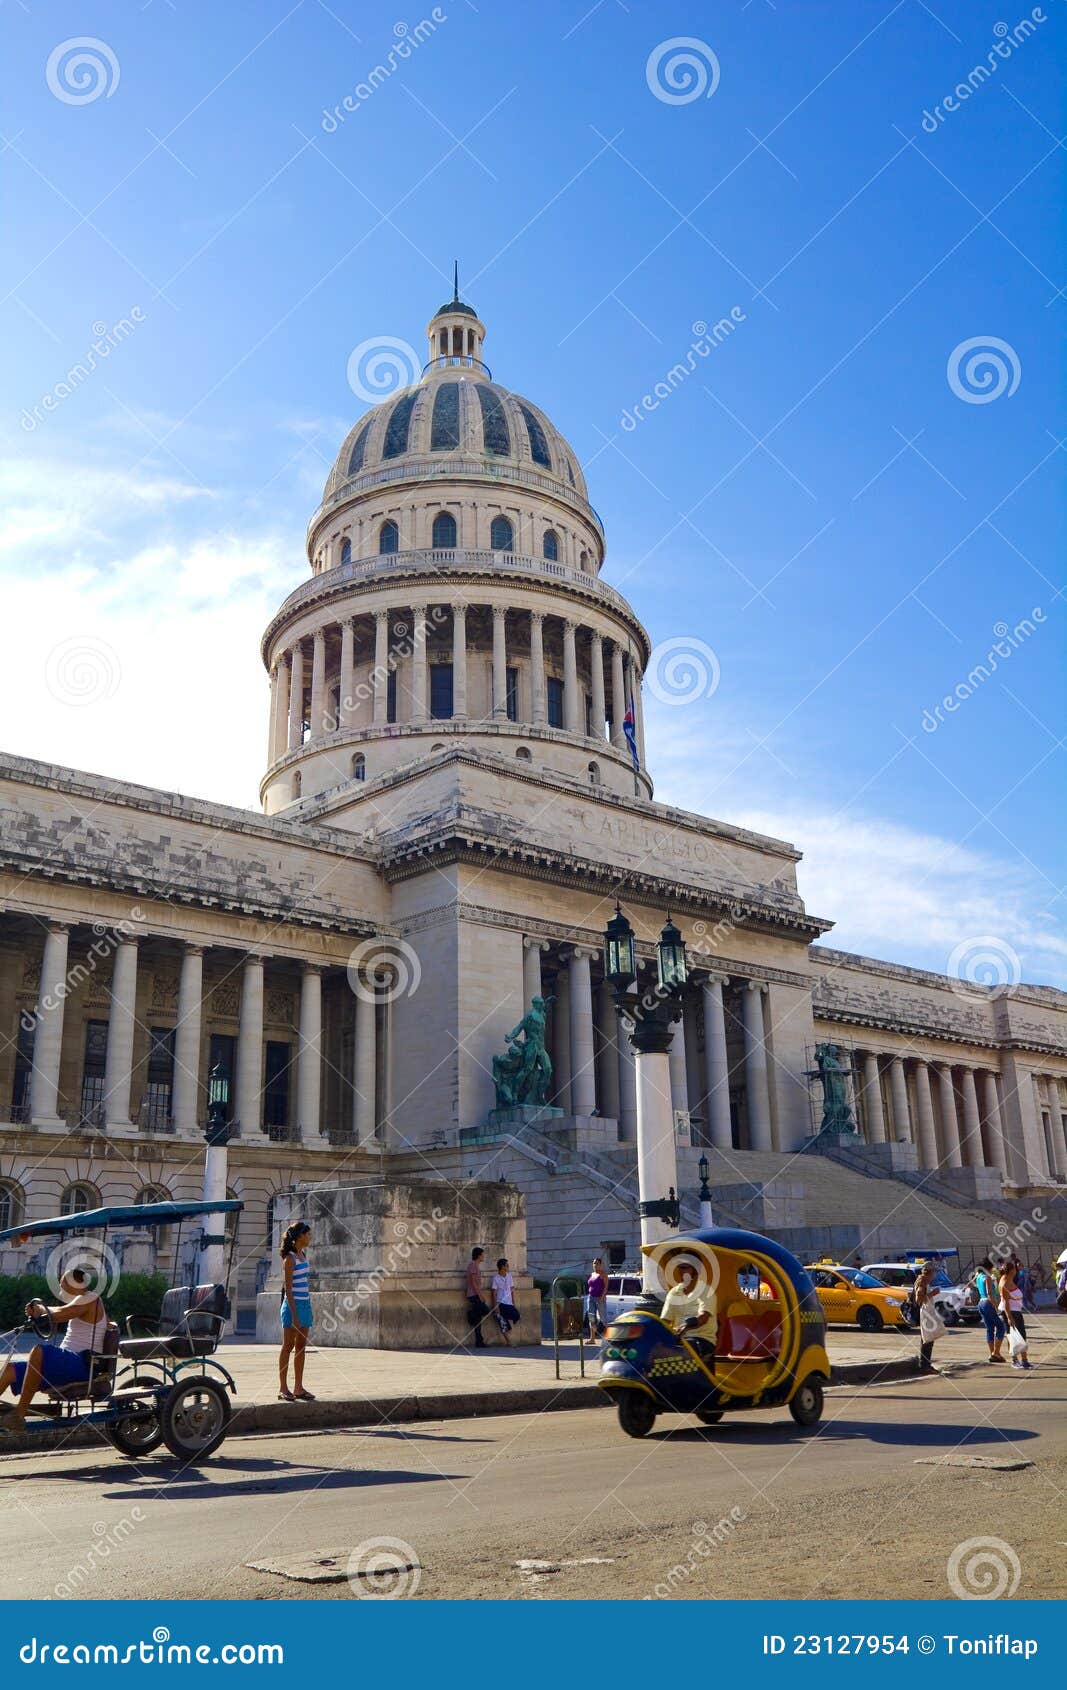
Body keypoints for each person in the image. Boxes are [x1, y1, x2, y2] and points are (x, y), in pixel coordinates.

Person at [0, 1268, 110, 1434]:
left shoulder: (91, 1298)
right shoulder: (83, 1301)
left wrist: (41, 1310)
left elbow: (62, 1314)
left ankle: (18, 1416)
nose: (60, 1290)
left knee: (39, 1351)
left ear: (75, 1283)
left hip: (84, 1364)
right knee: (9, 1370)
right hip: (66, 1363)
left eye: (62, 1285)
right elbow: (60, 1311)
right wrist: (39, 1310)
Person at [278, 1220, 315, 1401]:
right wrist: (293, 1314)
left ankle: (298, 1387)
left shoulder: (303, 1255)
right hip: (293, 1305)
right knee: (288, 1346)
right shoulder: (290, 1259)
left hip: (305, 1304)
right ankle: (283, 1387)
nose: (309, 1237)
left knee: (301, 1347)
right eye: (307, 1234)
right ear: (300, 1236)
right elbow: (288, 1288)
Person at [660, 1259, 718, 1346]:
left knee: (678, 1350)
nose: (680, 1271)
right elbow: (665, 1320)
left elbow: (703, 1318)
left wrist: (685, 1327)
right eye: (679, 1267)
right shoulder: (674, 1292)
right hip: (678, 1339)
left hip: (702, 1339)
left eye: (684, 1268)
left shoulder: (706, 1291)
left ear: (696, 1270)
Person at [999, 1256, 1033, 1372]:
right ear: (1011, 1270)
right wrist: (1009, 1317)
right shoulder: (1005, 1282)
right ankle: (1018, 1360)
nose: (1016, 1269)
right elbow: (1005, 1302)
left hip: (1015, 1311)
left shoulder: (1008, 1279)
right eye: (1014, 1268)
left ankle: (1021, 1360)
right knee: (1015, 1336)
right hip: (1011, 1312)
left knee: (1017, 1336)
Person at [972, 1257, 1006, 1363]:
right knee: (1000, 1327)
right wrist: (996, 1307)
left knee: (989, 1328)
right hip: (988, 1303)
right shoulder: (987, 1278)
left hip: (981, 1303)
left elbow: (971, 1285)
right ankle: (996, 1353)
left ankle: (992, 1353)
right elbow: (990, 1293)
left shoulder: (978, 1276)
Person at [913, 1261, 944, 1373]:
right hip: (925, 1313)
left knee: (929, 1339)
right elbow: (919, 1299)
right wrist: (933, 1293)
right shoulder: (922, 1281)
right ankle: (924, 1365)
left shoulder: (924, 1281)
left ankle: (926, 1364)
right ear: (929, 1272)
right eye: (934, 1272)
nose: (935, 1274)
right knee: (927, 1340)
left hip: (928, 1313)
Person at [490, 1257, 520, 1344]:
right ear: (502, 1267)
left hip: (509, 1303)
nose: (508, 1267)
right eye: (507, 1265)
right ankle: (508, 1342)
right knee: (503, 1324)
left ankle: (505, 1318)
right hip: (501, 1303)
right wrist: (495, 1306)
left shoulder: (509, 1277)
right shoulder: (496, 1278)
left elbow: (512, 1290)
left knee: (516, 1316)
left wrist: (513, 1303)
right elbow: (494, 1293)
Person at [465, 1246, 489, 1349]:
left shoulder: (476, 1265)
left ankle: (479, 1342)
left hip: (475, 1294)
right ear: (479, 1255)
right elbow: (474, 1282)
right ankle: (471, 1314)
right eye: (482, 1254)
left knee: (478, 1320)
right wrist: (480, 1295)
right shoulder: (473, 1265)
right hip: (473, 1294)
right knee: (485, 1310)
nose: (484, 1256)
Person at [586, 1257, 607, 1343]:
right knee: (591, 1318)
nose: (595, 1265)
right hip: (591, 1298)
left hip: (599, 1298)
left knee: (603, 1319)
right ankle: (592, 1339)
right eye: (594, 1263)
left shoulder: (603, 1274)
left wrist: (602, 1297)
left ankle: (607, 1338)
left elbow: (606, 1287)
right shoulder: (592, 1274)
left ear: (600, 1265)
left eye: (597, 1263)